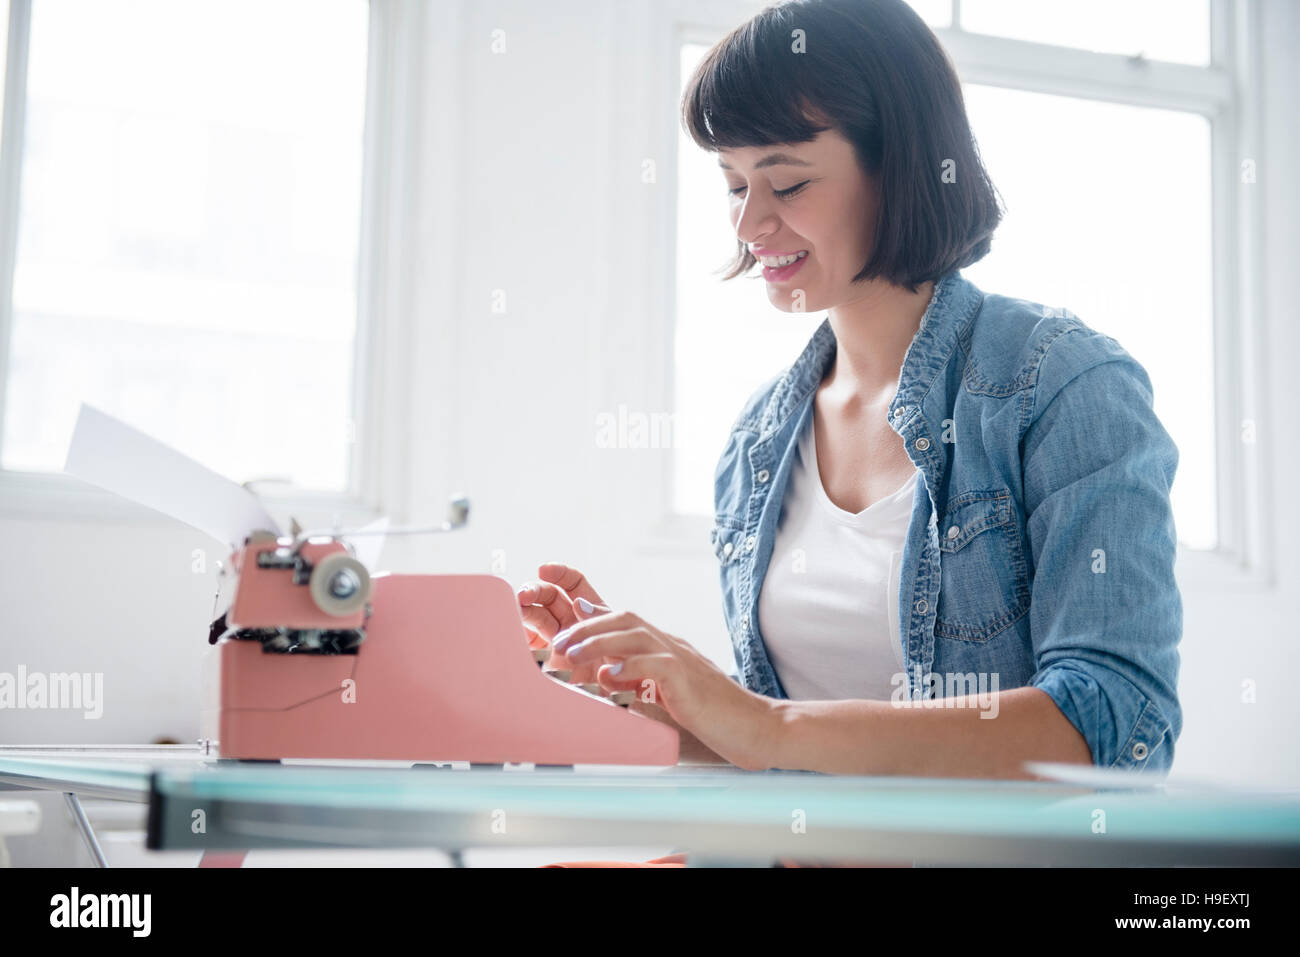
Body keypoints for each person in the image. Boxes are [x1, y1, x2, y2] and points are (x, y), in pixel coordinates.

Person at [519, 0, 1182, 866]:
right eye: (732, 184)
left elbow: (1115, 720)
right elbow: (783, 763)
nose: (750, 226)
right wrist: (654, 691)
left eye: (786, 182)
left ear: (900, 166)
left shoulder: (1062, 384)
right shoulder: (758, 442)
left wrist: (761, 720)